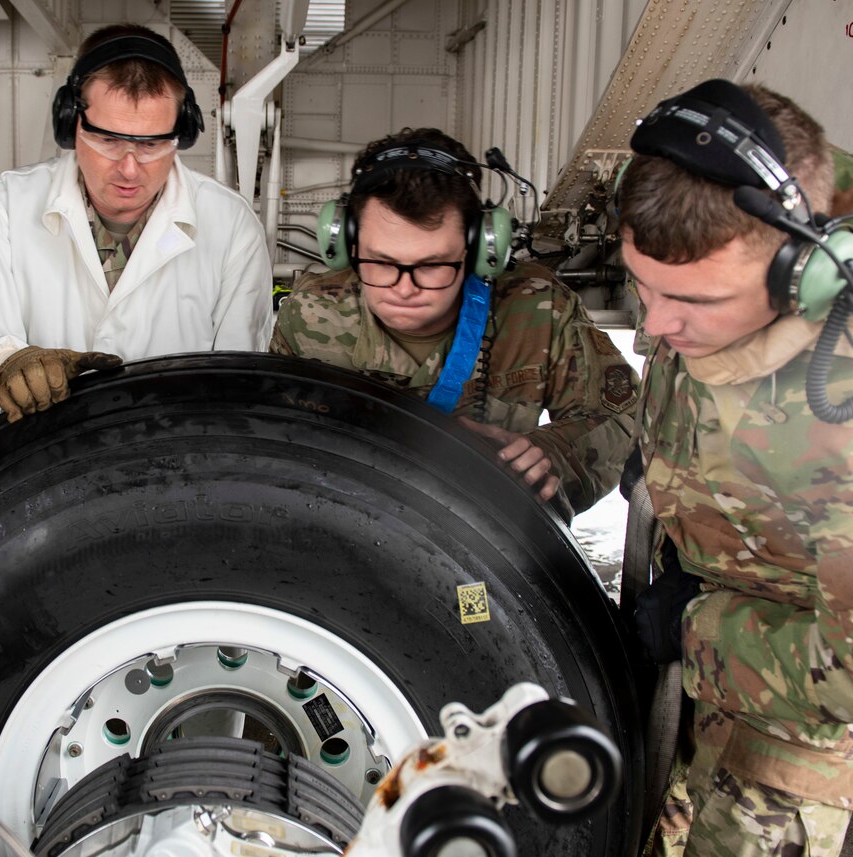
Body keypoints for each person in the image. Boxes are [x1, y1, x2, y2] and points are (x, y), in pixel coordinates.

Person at [619, 79, 853, 856]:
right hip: (707, 721)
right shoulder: (713, 284)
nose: (654, 323)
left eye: (693, 300)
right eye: (640, 285)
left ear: (804, 271)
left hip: (799, 774)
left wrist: (698, 628)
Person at [0, 24, 273, 429]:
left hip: (176, 469)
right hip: (38, 464)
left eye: (152, 145)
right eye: (108, 140)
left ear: (181, 135)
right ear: (71, 124)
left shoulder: (230, 224)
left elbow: (238, 382)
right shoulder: (6, 208)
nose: (130, 168)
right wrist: (0, 366)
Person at [271, 127, 638, 516]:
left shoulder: (538, 308)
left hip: (485, 541)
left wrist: (553, 454)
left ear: (478, 249)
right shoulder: (312, 313)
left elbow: (623, 415)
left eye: (432, 265)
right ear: (347, 245)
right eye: (380, 262)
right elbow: (272, 435)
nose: (404, 288)